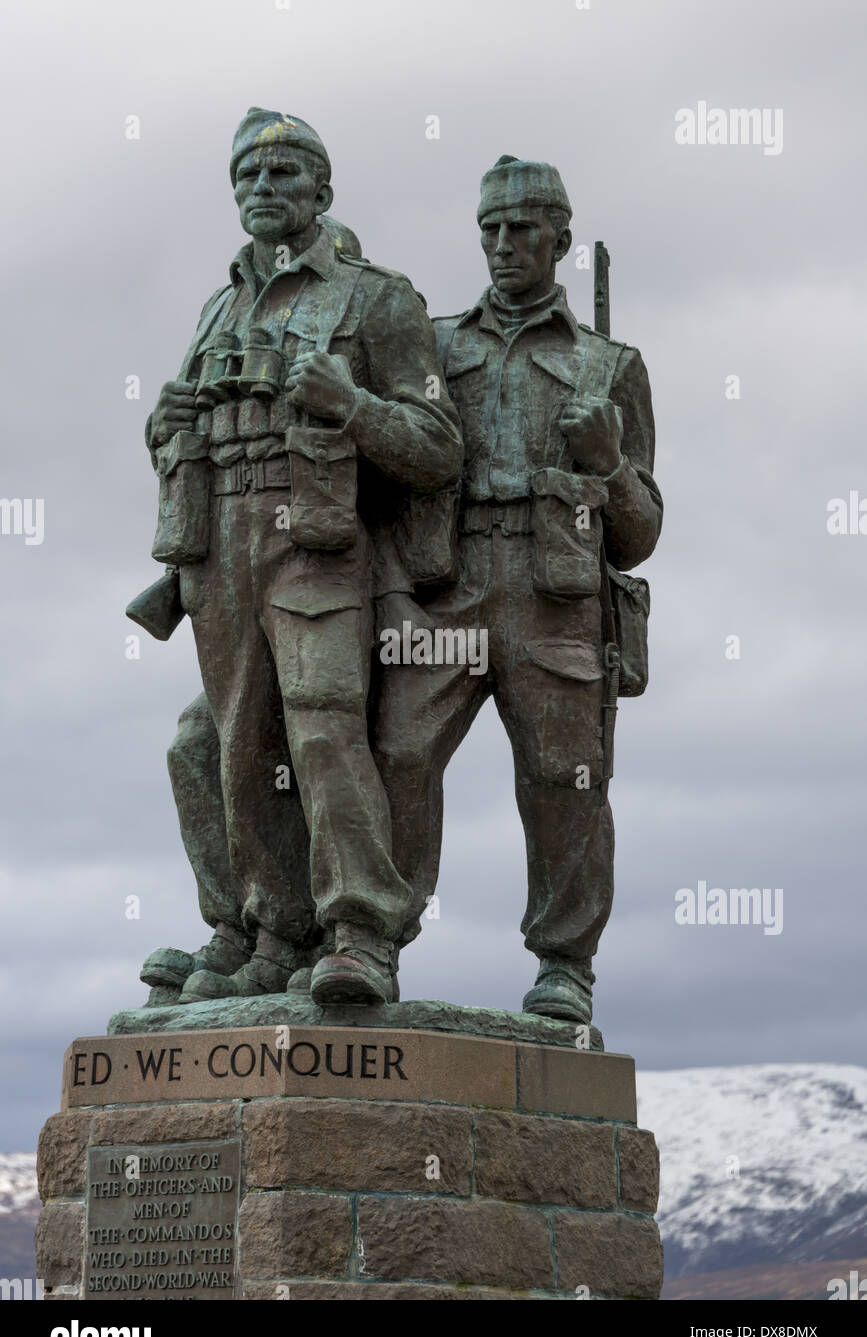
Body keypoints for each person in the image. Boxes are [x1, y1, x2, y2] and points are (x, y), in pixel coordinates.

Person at [139, 108, 462, 1005]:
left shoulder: (376, 298)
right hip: (219, 550)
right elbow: (190, 428)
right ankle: (267, 930)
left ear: (322, 191)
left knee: (320, 725)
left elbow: (439, 447)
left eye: (284, 175)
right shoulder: (219, 308)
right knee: (222, 745)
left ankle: (359, 931)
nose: (263, 190)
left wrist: (352, 405)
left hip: (314, 542)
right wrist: (161, 427)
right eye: (247, 177)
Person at [373, 155, 663, 1023]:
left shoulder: (611, 366)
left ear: (559, 242)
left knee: (564, 778)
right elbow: (389, 477)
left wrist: (608, 463)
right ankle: (373, 940)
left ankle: (563, 964)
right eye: (489, 230)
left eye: (522, 229)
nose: (502, 245)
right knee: (398, 753)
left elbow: (640, 533)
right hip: (447, 583)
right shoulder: (435, 343)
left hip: (555, 595)